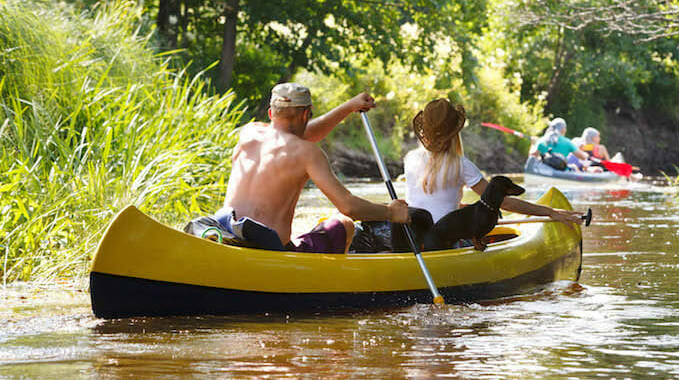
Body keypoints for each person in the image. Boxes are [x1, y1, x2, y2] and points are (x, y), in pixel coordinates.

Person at [215, 82, 410, 253]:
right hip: (272, 251)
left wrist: (349, 107)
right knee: (344, 224)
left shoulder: (249, 133)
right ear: (306, 114)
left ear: (270, 113)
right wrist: (391, 212)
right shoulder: (307, 153)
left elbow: (295, 134)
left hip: (228, 236)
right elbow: (349, 207)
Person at [404, 99, 584, 228]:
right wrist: (550, 212)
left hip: (413, 236)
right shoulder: (461, 165)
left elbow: (430, 202)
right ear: (455, 134)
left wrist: (467, 209)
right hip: (443, 239)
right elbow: (503, 203)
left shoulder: (410, 158)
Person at [530, 117, 600, 171]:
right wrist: (585, 155)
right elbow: (582, 157)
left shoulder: (542, 140)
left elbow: (532, 156)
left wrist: (533, 144)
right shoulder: (567, 142)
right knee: (574, 167)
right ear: (563, 130)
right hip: (562, 171)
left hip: (544, 170)